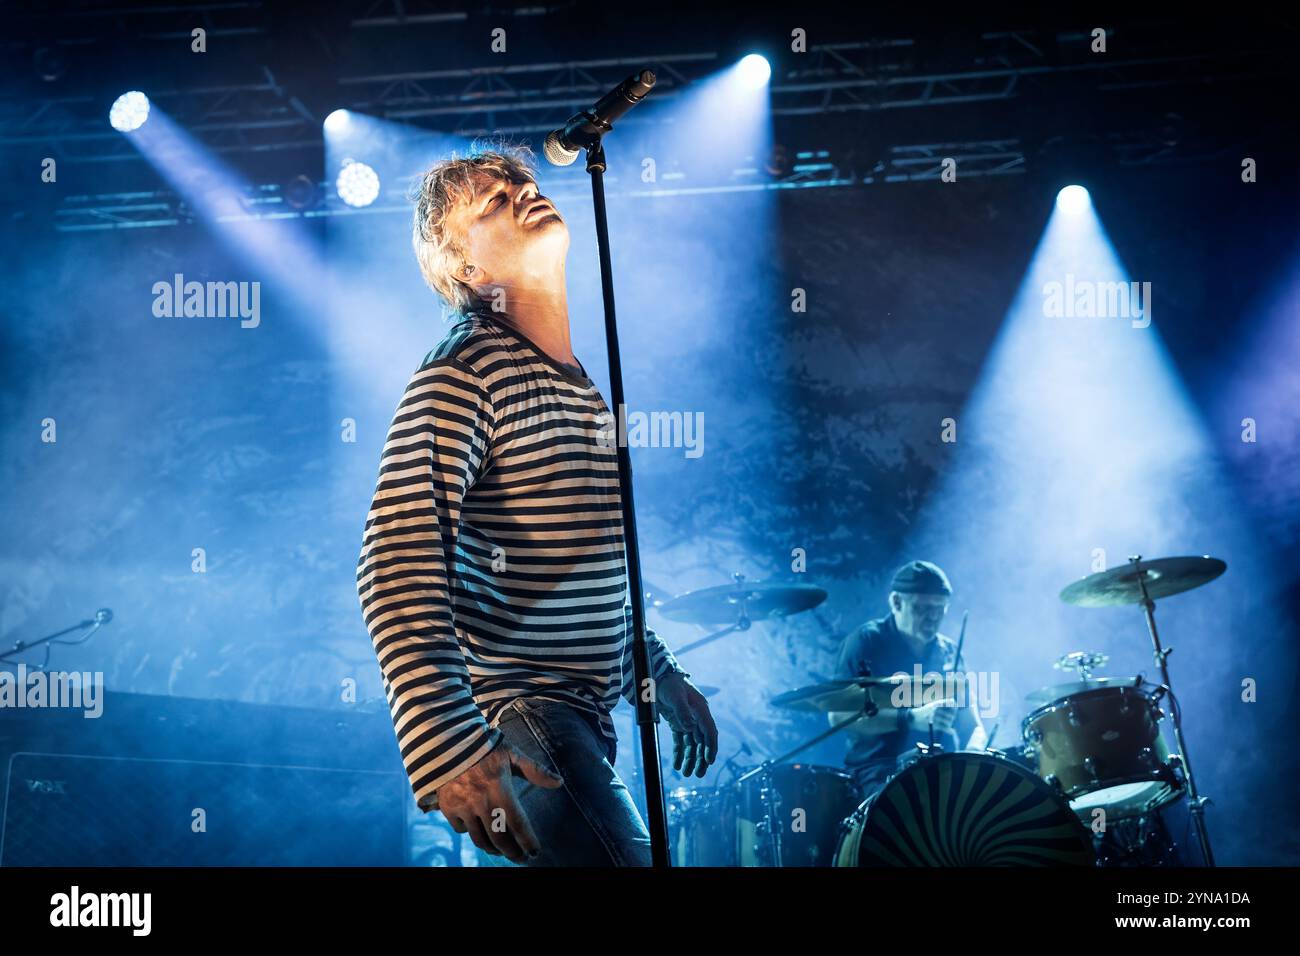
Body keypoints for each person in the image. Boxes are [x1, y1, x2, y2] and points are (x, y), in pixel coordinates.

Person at [356, 142, 717, 866]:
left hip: (580, 712)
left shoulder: (575, 380)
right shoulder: (464, 372)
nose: (522, 190)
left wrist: (657, 669)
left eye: (520, 179)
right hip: (521, 711)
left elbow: (583, 567)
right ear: (467, 269)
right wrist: (446, 746)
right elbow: (395, 564)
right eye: (493, 200)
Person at [829, 560, 986, 795]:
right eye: (921, 609)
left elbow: (973, 726)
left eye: (939, 609)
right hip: (877, 771)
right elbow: (839, 716)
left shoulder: (950, 652)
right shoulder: (867, 643)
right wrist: (910, 718)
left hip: (942, 771)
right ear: (896, 602)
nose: (932, 618)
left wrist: (975, 753)